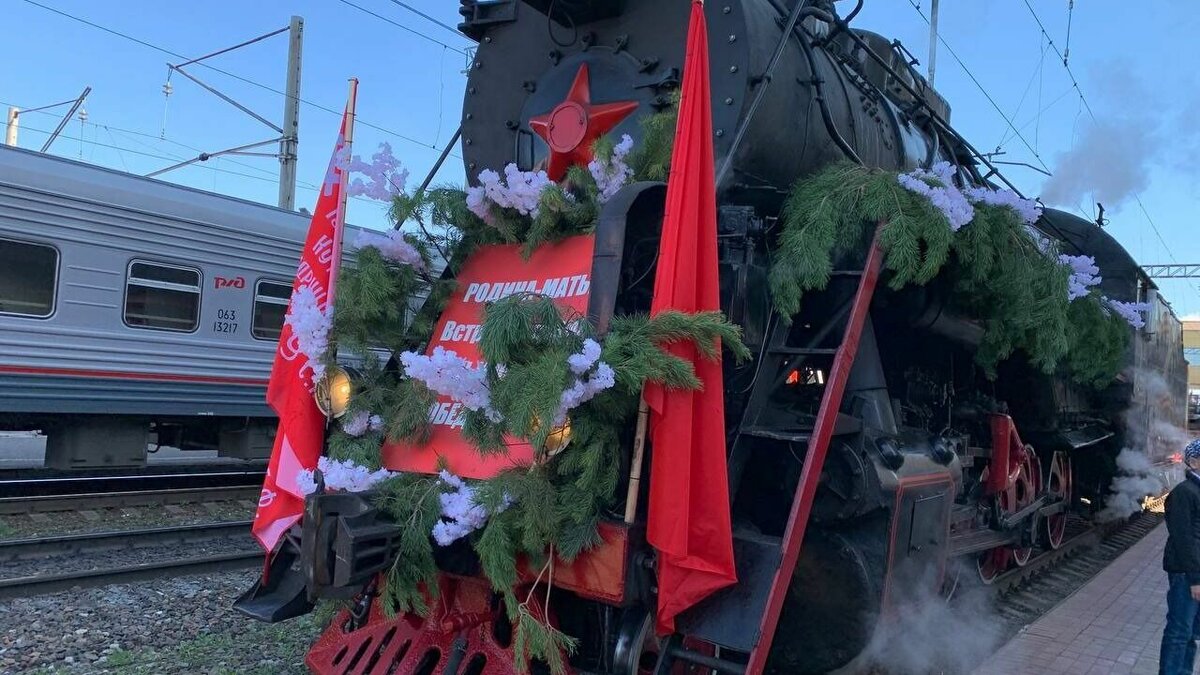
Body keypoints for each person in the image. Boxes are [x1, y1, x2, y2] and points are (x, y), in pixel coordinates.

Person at [1160, 439, 1200, 675]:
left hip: (1194, 572)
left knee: (1190, 632)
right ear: (1193, 462)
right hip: (1187, 574)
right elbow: (1184, 539)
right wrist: (1195, 578)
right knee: (1179, 631)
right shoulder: (1184, 493)